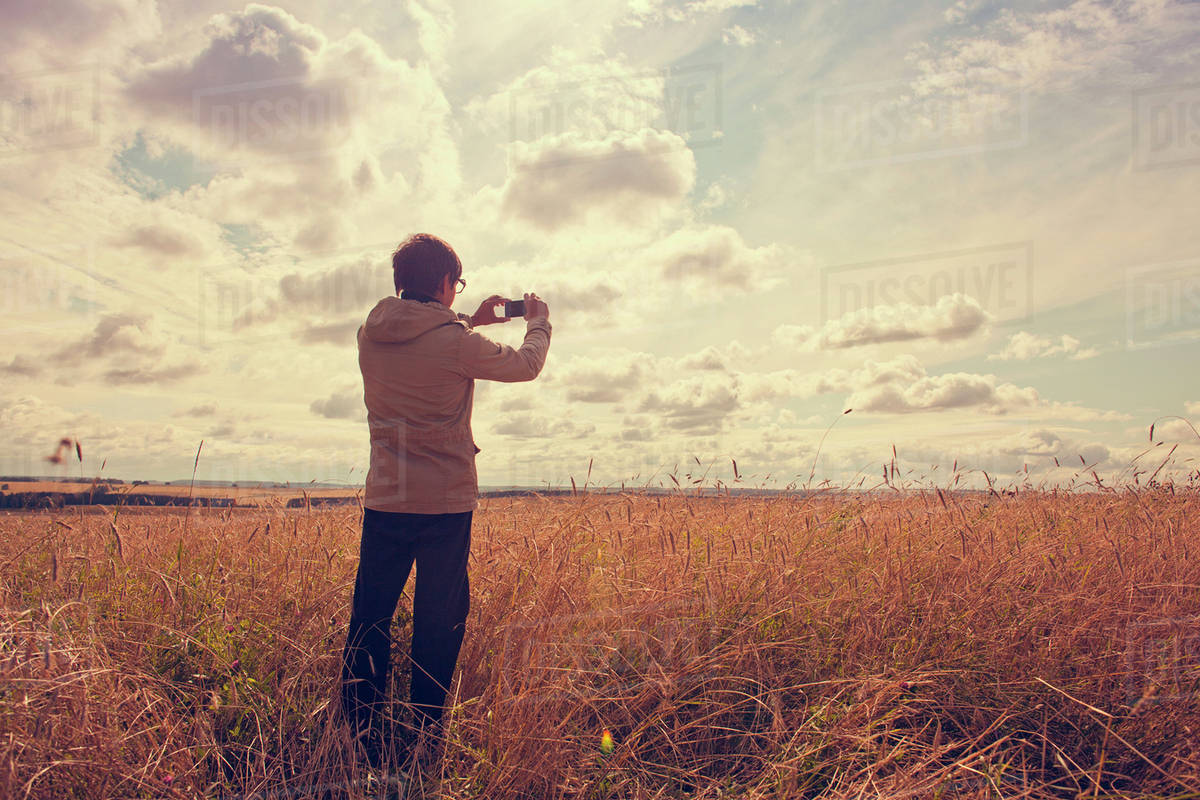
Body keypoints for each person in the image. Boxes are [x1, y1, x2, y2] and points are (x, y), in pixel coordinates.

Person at [340, 233, 552, 771]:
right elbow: (525, 366)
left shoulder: (369, 333)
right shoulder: (457, 342)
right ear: (443, 284)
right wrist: (539, 322)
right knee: (439, 619)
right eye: (457, 284)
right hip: (444, 507)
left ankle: (360, 729)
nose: (458, 293)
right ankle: (424, 734)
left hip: (386, 498)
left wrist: (469, 321)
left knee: (371, 616)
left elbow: (425, 342)